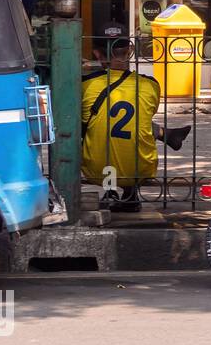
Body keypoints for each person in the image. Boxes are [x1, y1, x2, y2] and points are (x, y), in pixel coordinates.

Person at [81, 23, 190, 213]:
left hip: (97, 171)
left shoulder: (86, 85)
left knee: (95, 128)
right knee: (136, 122)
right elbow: (145, 115)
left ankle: (110, 190)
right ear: (130, 51)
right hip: (140, 169)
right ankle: (130, 194)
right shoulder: (150, 86)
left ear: (97, 54)